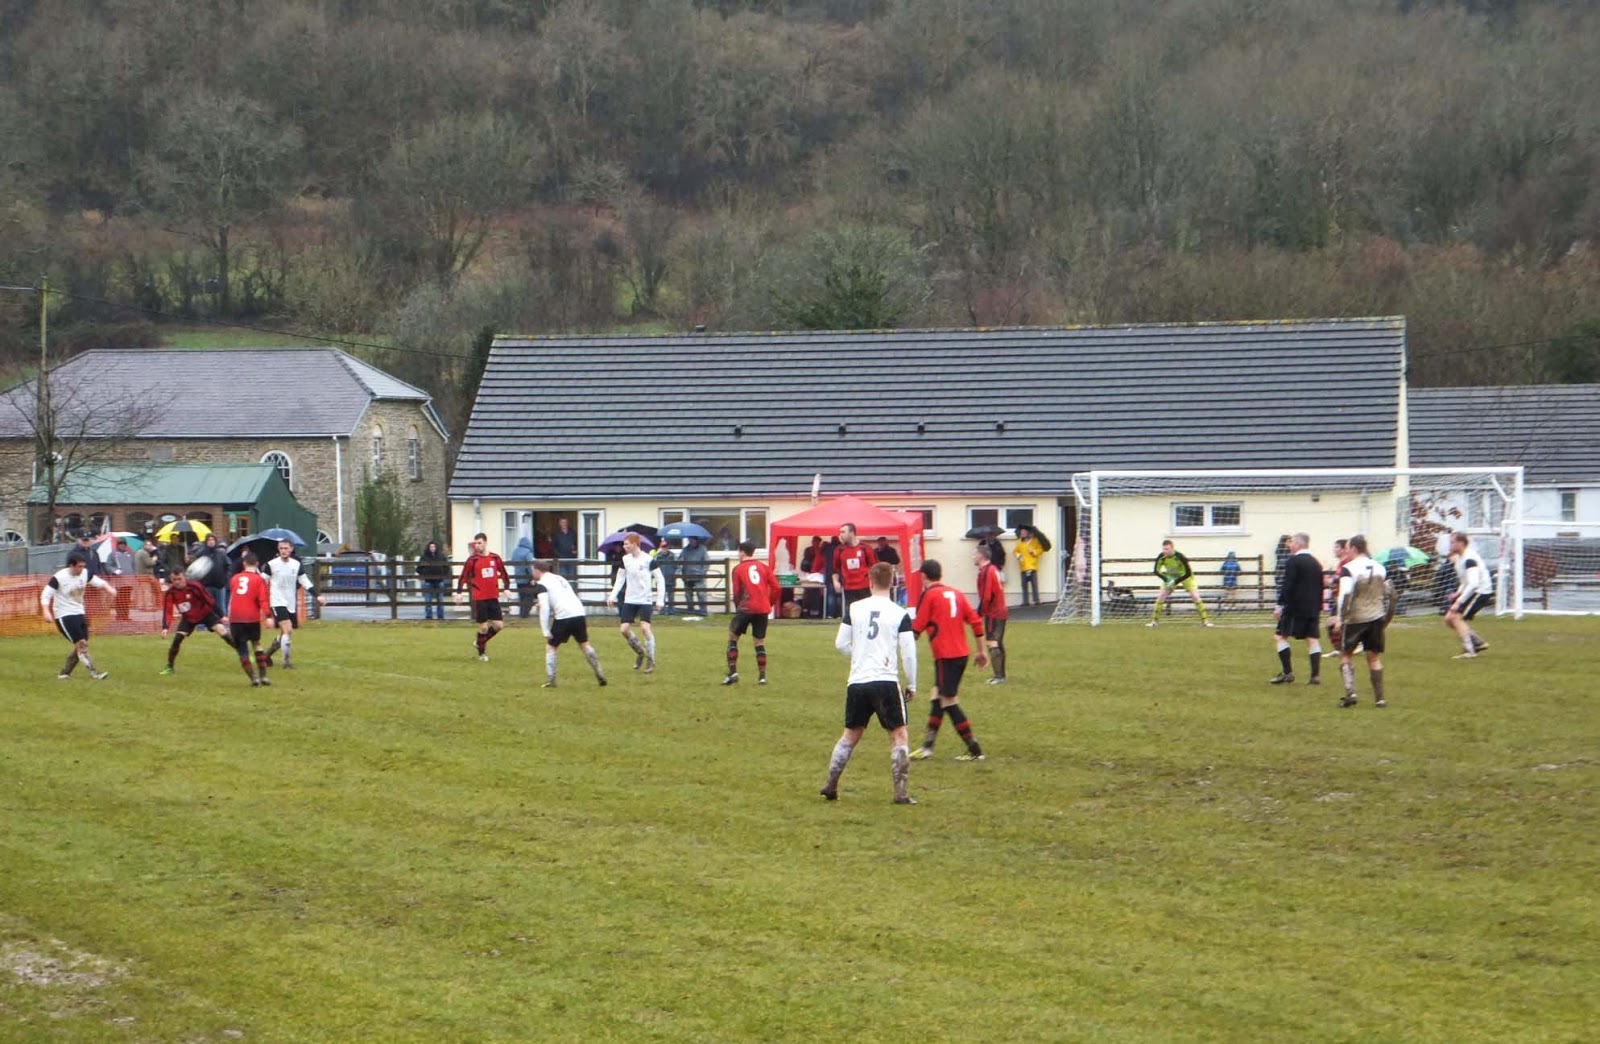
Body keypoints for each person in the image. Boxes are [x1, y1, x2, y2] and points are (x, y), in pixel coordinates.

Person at [820, 562, 919, 805]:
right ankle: (901, 793)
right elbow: (908, 652)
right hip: (885, 680)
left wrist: (859, 654)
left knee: (850, 734)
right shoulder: (899, 613)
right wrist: (912, 684)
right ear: (892, 582)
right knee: (899, 735)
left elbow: (840, 644)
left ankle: (831, 784)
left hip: (858, 681)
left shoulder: (854, 608)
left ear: (870, 582)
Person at [909, 559, 988, 761]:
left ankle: (974, 749)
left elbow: (916, 628)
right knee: (937, 695)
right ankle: (927, 746)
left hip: (946, 655)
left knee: (948, 701)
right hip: (960, 654)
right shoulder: (956, 593)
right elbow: (976, 622)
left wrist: (900, 647)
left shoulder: (929, 595)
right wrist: (981, 652)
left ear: (923, 576)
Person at [1330, 535, 1394, 708]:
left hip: (1355, 618)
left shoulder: (1349, 568)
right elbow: (1389, 594)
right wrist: (1386, 617)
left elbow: (1344, 594)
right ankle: (1380, 698)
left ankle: (1350, 693)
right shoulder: (1380, 568)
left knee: (1345, 654)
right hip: (1376, 617)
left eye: (1348, 548)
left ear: (1354, 549)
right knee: (1373, 657)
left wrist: (1339, 618)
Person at [529, 559, 606, 688]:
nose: (532, 573)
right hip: (579, 612)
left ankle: (551, 680)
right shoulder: (559, 578)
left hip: (563, 616)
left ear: (537, 570)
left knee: (551, 647)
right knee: (585, 644)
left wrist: (545, 629)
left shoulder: (542, 583)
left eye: (532, 570)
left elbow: (545, 607)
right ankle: (599, 672)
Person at [41, 551, 114, 680]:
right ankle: (95, 673)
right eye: (79, 566)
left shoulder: (85, 574)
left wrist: (109, 588)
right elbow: (46, 594)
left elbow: (99, 582)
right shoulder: (59, 577)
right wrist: (46, 611)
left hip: (79, 612)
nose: (82, 569)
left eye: (83, 566)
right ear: (71, 565)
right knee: (81, 644)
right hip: (64, 615)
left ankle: (64, 673)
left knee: (82, 644)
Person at [1270, 532, 1324, 685]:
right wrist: (1318, 606)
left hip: (1295, 608)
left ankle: (1287, 673)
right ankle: (1315, 676)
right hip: (1313, 608)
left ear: (1299, 544)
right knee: (1312, 640)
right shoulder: (1316, 563)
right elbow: (1320, 587)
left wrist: (1280, 606)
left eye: (1292, 542)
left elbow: (1288, 586)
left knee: (1280, 637)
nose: (1289, 545)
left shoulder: (1293, 562)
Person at [723, 540, 780, 686]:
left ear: (742, 552)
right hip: (762, 608)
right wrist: (770, 603)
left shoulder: (738, 569)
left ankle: (733, 672)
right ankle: (762, 677)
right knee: (759, 641)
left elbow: (736, 592)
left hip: (746, 607)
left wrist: (738, 606)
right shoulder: (764, 567)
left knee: (733, 637)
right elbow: (776, 587)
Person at [263, 540, 326, 669]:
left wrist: (317, 596)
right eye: (281, 548)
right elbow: (262, 580)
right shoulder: (272, 564)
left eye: (286, 548)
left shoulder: (296, 565)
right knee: (288, 629)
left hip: (290, 602)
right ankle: (286, 662)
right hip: (277, 601)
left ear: (291, 549)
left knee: (284, 633)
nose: (283, 551)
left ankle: (266, 656)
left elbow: (305, 581)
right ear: (278, 550)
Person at [607, 532, 664, 671]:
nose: (624, 546)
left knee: (645, 628)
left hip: (645, 600)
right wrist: (612, 596)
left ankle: (651, 661)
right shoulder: (625, 560)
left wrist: (660, 599)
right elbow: (620, 579)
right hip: (630, 599)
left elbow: (660, 579)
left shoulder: (648, 560)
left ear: (634, 544)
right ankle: (640, 652)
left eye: (626, 544)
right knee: (624, 629)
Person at [159, 571, 232, 674]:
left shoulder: (195, 586)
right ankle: (170, 667)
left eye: (179, 579)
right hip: (189, 618)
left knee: (224, 633)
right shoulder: (170, 592)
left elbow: (209, 600)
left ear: (184, 578)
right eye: (174, 580)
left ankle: (244, 653)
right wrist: (165, 627)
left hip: (206, 614)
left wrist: (222, 615)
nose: (177, 582)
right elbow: (168, 610)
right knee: (177, 639)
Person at [458, 532, 511, 661]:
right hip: (479, 596)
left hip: (493, 596)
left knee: (498, 625)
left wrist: (507, 588)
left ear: (485, 543)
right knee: (483, 627)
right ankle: (482, 654)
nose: (477, 546)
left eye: (479, 543)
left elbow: (504, 574)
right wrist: (459, 592)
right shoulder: (472, 560)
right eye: (475, 543)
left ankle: (479, 642)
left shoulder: (495, 558)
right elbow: (463, 576)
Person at [226, 550, 275, 687]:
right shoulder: (259, 579)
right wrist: (268, 616)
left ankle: (253, 678)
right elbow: (262, 600)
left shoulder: (235, 578)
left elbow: (232, 597)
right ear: (257, 564)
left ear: (244, 563)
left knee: (242, 648)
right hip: (251, 617)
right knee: (256, 643)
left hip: (235, 618)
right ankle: (263, 676)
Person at [1444, 531, 1493, 659]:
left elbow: (1473, 584)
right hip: (1474, 590)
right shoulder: (1460, 558)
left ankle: (1469, 651)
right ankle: (1478, 643)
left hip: (1481, 591)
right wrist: (1458, 593)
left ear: (1461, 543)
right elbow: (1465, 581)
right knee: (1449, 619)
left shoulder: (1469, 559)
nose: (1450, 545)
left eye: (1452, 542)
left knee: (1455, 617)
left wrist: (1458, 602)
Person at [1147, 540, 1213, 627]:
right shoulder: (1161, 556)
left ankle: (1205, 621)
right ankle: (1154, 622)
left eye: (1167, 549)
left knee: (1195, 596)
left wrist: (1175, 582)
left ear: (1172, 548)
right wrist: (1166, 579)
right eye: (1164, 549)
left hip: (1184, 575)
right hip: (1170, 576)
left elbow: (1188, 572)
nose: (1165, 551)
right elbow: (1156, 570)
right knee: (1161, 596)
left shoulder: (1180, 556)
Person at [975, 544, 1009, 685]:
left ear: (981, 556)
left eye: (974, 554)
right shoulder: (994, 569)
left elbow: (987, 595)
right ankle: (1001, 675)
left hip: (993, 612)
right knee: (998, 642)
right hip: (1001, 609)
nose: (973, 556)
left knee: (992, 642)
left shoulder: (986, 571)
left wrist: (980, 611)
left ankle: (998, 676)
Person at [830, 523, 877, 616]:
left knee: (866, 614)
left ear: (851, 533)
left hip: (865, 587)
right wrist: (836, 582)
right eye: (840, 532)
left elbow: (875, 568)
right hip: (849, 588)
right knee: (852, 615)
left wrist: (874, 585)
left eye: (843, 532)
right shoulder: (839, 550)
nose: (841, 535)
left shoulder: (865, 548)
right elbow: (835, 569)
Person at [195, 533, 232, 616]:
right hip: (206, 585)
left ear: (215, 541)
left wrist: (225, 579)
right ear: (206, 542)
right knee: (207, 605)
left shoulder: (221, 554)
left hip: (220, 585)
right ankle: (207, 624)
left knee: (221, 606)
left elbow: (228, 566)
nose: (211, 542)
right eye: (209, 540)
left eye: (212, 540)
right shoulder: (201, 554)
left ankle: (223, 622)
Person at [416, 540, 450, 620]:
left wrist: (442, 574)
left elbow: (447, 567)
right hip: (428, 582)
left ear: (436, 547)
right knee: (428, 601)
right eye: (431, 546)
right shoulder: (424, 557)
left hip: (439, 581)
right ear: (428, 547)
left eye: (434, 546)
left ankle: (440, 617)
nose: (432, 548)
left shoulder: (441, 556)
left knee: (440, 601)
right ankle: (428, 617)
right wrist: (425, 574)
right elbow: (418, 569)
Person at [1013, 525, 1044, 606]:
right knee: (1024, 585)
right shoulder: (1019, 542)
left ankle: (1036, 600)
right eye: (1021, 532)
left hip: (1032, 566)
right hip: (1023, 566)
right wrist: (1019, 556)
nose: (1022, 533)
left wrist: (1034, 551)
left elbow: (1040, 550)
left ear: (1028, 533)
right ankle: (1025, 601)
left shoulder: (1035, 541)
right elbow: (1015, 551)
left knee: (1034, 584)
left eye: (1024, 532)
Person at [678, 537, 709, 616]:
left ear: (696, 540)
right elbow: (679, 560)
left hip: (699, 575)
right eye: (689, 540)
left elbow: (707, 561)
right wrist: (680, 563)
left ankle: (703, 611)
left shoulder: (703, 549)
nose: (691, 542)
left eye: (692, 540)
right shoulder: (685, 549)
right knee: (688, 594)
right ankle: (690, 609)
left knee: (701, 594)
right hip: (687, 575)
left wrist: (703, 572)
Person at [509, 534, 537, 619]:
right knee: (529, 597)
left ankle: (522, 614)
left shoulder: (515, 551)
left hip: (518, 578)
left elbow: (513, 562)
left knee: (521, 597)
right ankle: (525, 614)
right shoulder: (528, 552)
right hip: (526, 578)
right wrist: (532, 577)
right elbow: (529, 566)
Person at [108, 539, 136, 620]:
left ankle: (125, 615)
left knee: (127, 599)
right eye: (121, 544)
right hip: (119, 581)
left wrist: (135, 575)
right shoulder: (113, 555)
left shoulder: (130, 554)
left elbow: (134, 566)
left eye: (124, 544)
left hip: (129, 581)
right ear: (118, 545)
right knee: (120, 598)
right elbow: (108, 565)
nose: (122, 545)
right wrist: (114, 571)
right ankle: (119, 615)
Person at [654, 540, 679, 615]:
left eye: (665, 546)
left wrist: (675, 574)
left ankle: (671, 611)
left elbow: (678, 566)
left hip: (671, 579)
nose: (664, 548)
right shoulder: (657, 556)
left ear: (668, 547)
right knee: (661, 596)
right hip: (660, 580)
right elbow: (653, 567)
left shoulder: (673, 556)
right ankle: (662, 611)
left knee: (671, 597)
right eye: (662, 547)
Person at [551, 516, 579, 582]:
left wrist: (576, 550)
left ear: (567, 523)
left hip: (572, 558)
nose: (564, 524)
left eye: (565, 522)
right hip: (561, 559)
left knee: (572, 578)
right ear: (559, 524)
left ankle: (572, 591)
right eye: (562, 522)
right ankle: (564, 592)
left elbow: (578, 543)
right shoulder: (556, 534)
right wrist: (559, 555)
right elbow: (553, 547)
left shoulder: (573, 533)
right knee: (563, 578)